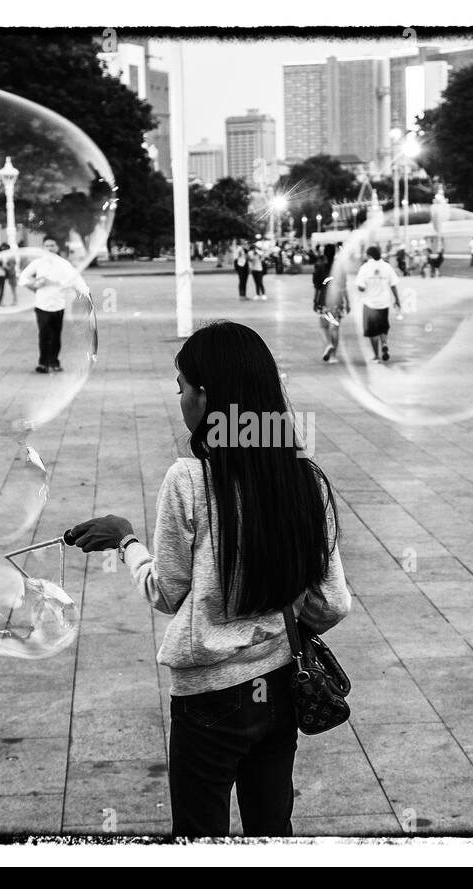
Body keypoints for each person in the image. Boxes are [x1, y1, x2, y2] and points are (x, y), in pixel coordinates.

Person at [67, 321, 351, 837]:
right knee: (271, 829)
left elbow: (166, 591)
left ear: (206, 396)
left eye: (182, 388)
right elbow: (332, 603)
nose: (180, 401)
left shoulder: (189, 480)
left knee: (199, 836)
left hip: (208, 698)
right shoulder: (305, 481)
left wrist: (127, 542)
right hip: (282, 688)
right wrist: (270, 620)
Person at [19, 238, 89, 374]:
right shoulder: (38, 263)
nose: (49, 248)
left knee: (56, 335)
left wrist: (84, 293)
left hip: (58, 305)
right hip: (42, 304)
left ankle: (54, 361)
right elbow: (23, 278)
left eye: (52, 245)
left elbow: (76, 281)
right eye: (46, 245)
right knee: (44, 334)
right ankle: (43, 363)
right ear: (43, 247)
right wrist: (34, 284)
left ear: (57, 247)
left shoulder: (64, 264)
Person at [355, 245, 402, 363]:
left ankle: (376, 356)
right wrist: (397, 300)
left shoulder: (364, 268)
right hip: (384, 303)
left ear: (368, 255)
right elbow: (393, 285)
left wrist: (363, 287)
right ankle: (384, 344)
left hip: (370, 304)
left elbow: (361, 287)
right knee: (383, 327)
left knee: (372, 332)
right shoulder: (387, 267)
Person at [312, 244, 344, 362]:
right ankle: (334, 356)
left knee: (323, 327)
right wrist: (347, 302)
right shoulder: (339, 267)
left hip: (323, 300)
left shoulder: (319, 266)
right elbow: (343, 287)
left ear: (324, 253)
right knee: (335, 328)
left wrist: (315, 301)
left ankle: (328, 344)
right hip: (337, 301)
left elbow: (317, 287)